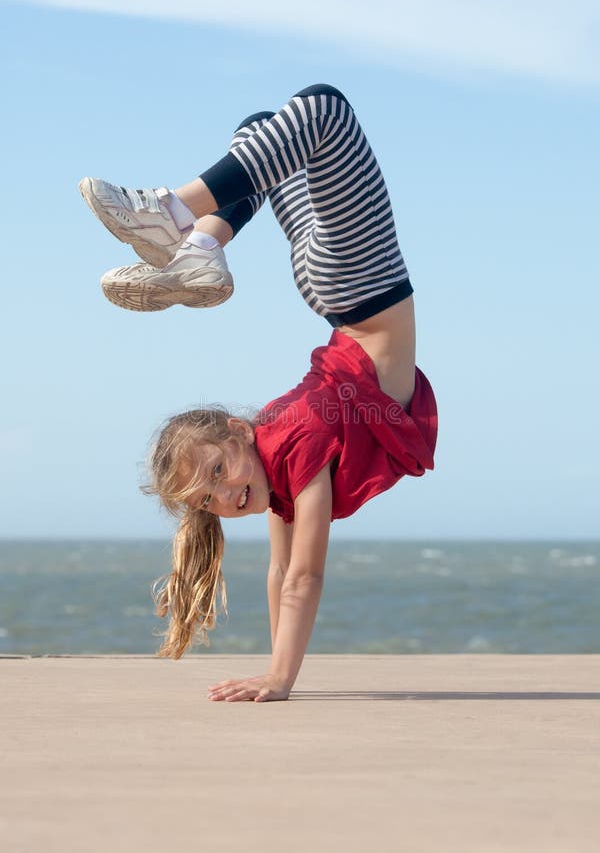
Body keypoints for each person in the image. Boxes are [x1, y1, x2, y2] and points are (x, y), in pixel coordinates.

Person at [79, 83, 438, 703]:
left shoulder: (292, 449)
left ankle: (182, 218)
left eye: (217, 472)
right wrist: (278, 673)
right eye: (211, 498)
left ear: (240, 431)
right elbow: (286, 573)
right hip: (338, 291)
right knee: (280, 129)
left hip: (360, 286)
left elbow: (303, 575)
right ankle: (201, 246)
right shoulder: (279, 462)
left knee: (309, 116)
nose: (225, 494)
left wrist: (282, 676)